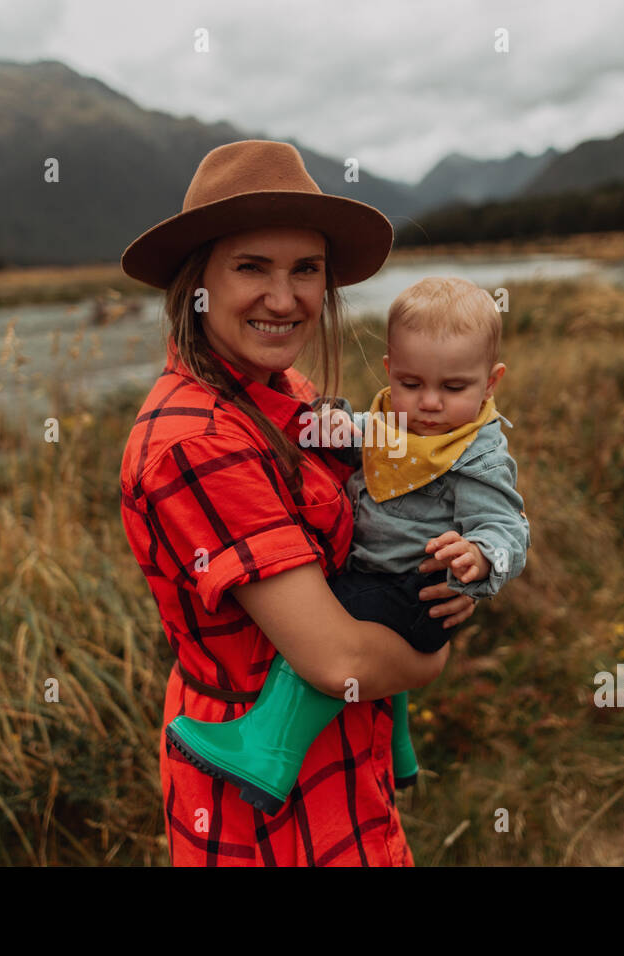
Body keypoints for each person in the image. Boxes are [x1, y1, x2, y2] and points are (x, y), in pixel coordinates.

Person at [118, 140, 476, 866]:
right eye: (252, 267)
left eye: (305, 270)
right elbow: (338, 658)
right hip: (266, 808)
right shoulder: (195, 441)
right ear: (198, 285)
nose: (285, 299)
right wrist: (427, 651)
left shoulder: (292, 399)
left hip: (348, 778)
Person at [169, 275, 530, 794]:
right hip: (388, 579)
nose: (428, 404)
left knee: (330, 613)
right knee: (359, 600)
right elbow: (366, 438)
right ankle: (399, 748)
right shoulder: (396, 423)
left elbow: (507, 527)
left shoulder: (477, 455)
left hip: (411, 590)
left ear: (491, 382)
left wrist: (479, 556)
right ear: (390, 371)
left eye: (453, 388)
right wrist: (330, 426)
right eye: (411, 384)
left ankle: (268, 751)